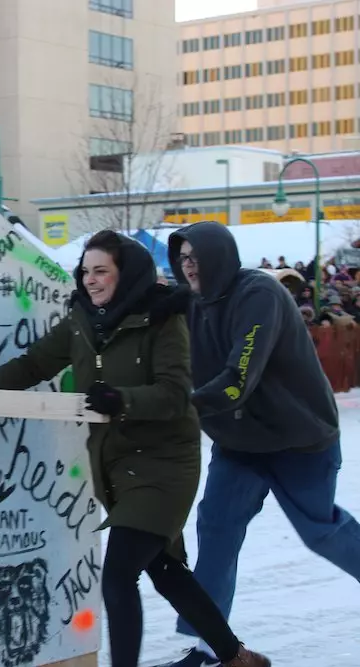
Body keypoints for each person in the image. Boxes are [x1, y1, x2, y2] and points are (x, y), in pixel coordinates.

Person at [0, 231, 269, 667]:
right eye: (85, 271)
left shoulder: (162, 319)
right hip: (115, 464)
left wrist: (122, 399)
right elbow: (34, 363)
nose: (90, 280)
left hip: (163, 463)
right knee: (166, 571)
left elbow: (176, 395)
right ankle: (237, 658)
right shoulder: (82, 322)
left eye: (101, 270)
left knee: (119, 573)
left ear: (127, 275)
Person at [158, 221, 359, 667]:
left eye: (196, 257)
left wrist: (180, 406)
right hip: (240, 444)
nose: (189, 267)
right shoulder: (189, 302)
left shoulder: (259, 294)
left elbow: (239, 378)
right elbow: (134, 305)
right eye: (183, 258)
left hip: (299, 440)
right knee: (217, 527)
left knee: (321, 531)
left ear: (218, 255)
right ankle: (214, 648)